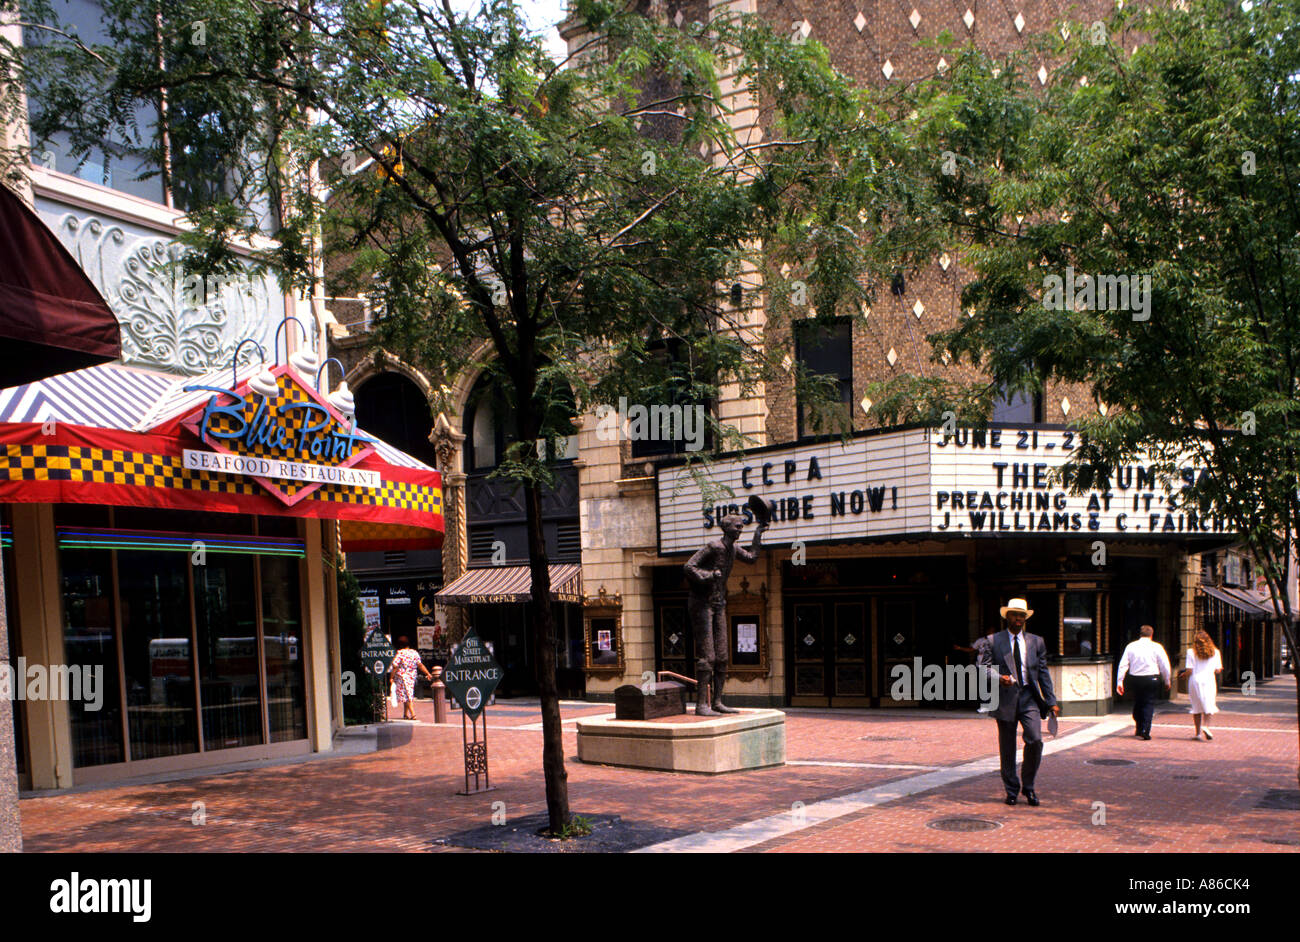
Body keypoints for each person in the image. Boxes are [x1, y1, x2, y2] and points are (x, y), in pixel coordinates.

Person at [683, 511, 767, 715]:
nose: (740, 529)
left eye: (741, 526)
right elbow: (689, 567)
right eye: (737, 526)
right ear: (727, 528)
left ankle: (717, 702)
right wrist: (709, 575)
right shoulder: (714, 546)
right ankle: (702, 705)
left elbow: (752, 557)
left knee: (722, 656)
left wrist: (758, 533)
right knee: (708, 656)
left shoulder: (733, 549)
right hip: (701, 603)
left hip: (719, 603)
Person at [977, 598, 1059, 806]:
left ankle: (1029, 787)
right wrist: (999, 678)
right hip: (1004, 698)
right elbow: (982, 668)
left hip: (1029, 697)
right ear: (1007, 616)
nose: (1019, 618)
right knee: (1007, 747)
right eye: (1015, 614)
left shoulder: (1036, 641)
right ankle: (1011, 790)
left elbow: (1043, 672)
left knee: (1035, 740)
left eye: (1022, 615)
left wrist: (1051, 701)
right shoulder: (992, 640)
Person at [1115, 624, 1172, 740]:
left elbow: (1123, 664)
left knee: (1138, 702)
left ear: (1140, 634)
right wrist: (1167, 680)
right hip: (1152, 678)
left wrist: (1119, 681)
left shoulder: (1131, 646)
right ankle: (1145, 729)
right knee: (1148, 703)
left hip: (1136, 678)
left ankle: (1139, 726)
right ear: (1152, 635)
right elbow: (1165, 665)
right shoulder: (1157, 647)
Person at [1179, 629, 1222, 740]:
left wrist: (1184, 675)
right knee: (1209, 704)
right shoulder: (1215, 652)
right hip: (1209, 680)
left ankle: (1197, 733)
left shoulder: (1191, 652)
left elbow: (1189, 670)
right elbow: (1218, 670)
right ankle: (1206, 726)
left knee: (1196, 707)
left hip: (1195, 680)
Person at [388, 636, 433, 721]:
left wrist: (391, 677)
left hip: (402, 677)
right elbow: (420, 665)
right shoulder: (414, 653)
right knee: (407, 694)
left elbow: (395, 666)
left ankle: (413, 714)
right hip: (412, 677)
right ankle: (405, 714)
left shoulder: (400, 653)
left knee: (407, 695)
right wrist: (427, 673)